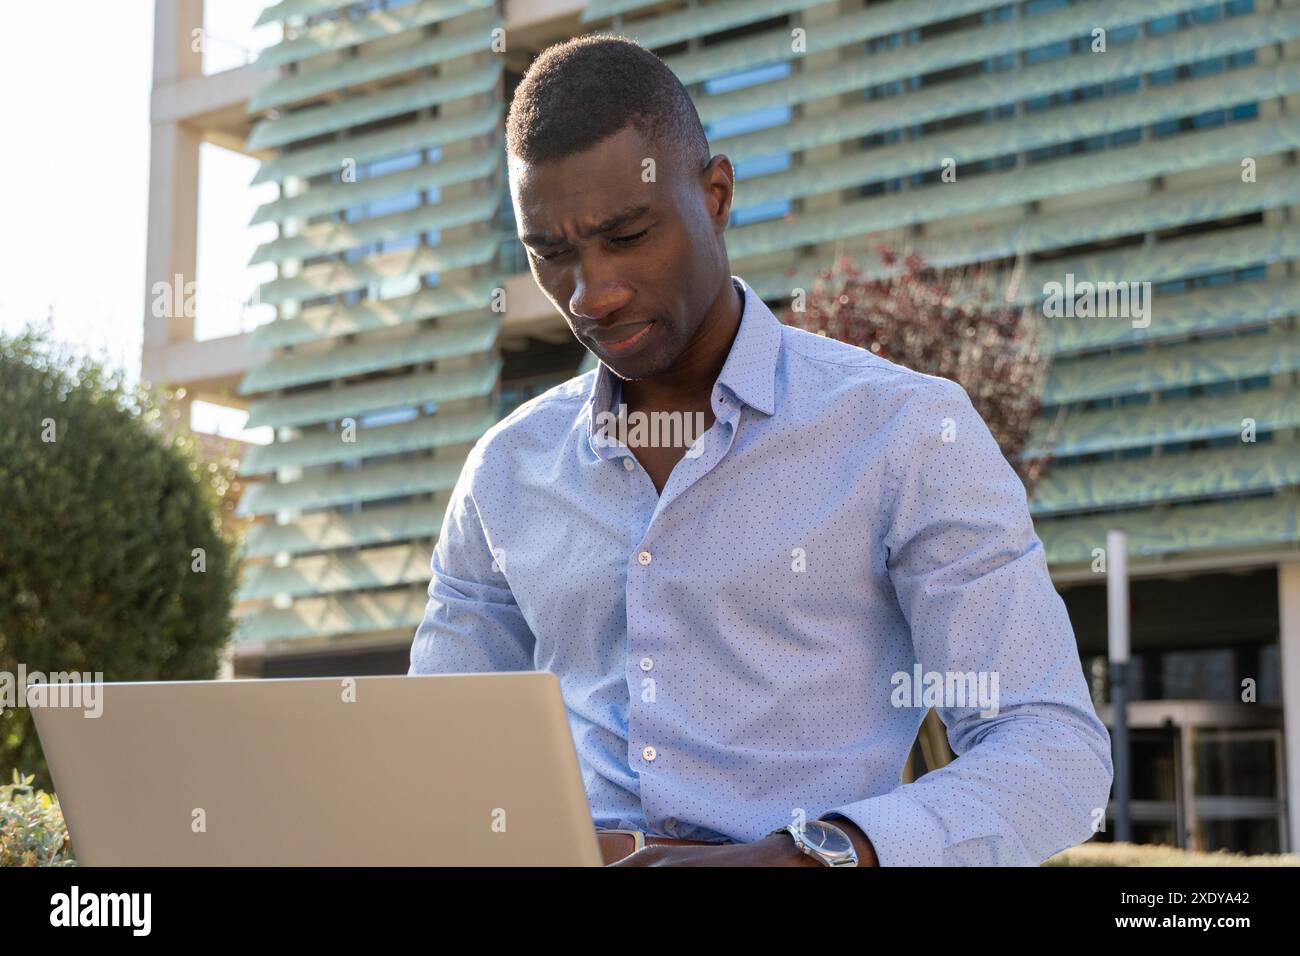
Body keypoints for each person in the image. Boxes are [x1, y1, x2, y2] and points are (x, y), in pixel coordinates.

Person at [409, 35, 1113, 867]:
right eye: (551, 255)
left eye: (628, 234)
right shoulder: (505, 470)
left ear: (716, 194)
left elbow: (1053, 749)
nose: (592, 293)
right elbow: (440, 760)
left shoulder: (909, 431)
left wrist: (805, 859)